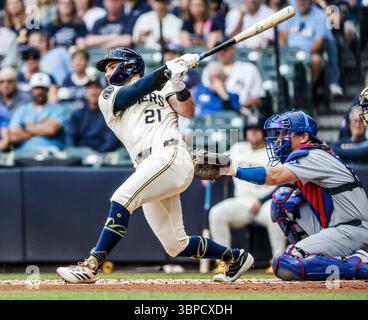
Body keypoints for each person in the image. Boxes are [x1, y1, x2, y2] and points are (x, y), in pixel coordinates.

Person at [56, 47, 254, 283]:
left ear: (128, 64)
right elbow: (136, 91)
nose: (107, 73)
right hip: (147, 165)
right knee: (175, 244)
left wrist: (178, 82)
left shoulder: (165, 84)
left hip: (169, 153)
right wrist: (167, 70)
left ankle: (92, 265)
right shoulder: (108, 95)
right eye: (106, 68)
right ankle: (235, 257)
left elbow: (187, 110)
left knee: (122, 198)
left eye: (112, 66)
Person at [222, 109, 368, 281]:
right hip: (334, 227)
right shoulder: (314, 153)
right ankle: (309, 254)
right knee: (283, 201)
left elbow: (275, 176)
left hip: (354, 231)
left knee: (285, 263)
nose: (278, 140)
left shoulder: (312, 154)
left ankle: (359, 263)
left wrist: (232, 170)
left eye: (285, 134)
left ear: (304, 137)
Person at [209, 117, 285, 274]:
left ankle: (278, 261)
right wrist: (208, 174)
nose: (253, 132)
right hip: (242, 202)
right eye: (250, 129)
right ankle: (225, 261)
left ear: (263, 132)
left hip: (266, 202)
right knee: (216, 214)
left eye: (257, 129)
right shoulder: (238, 148)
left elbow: (283, 182)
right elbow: (219, 164)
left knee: (276, 212)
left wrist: (261, 200)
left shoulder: (273, 151)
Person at [202, 38, 265, 117]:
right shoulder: (209, 69)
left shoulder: (249, 69)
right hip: (213, 113)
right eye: (218, 49)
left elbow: (258, 99)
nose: (221, 52)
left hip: (241, 114)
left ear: (232, 49)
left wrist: (236, 105)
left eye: (224, 49)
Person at [9, 73, 66, 151]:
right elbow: (13, 135)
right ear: (31, 89)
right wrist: (42, 126)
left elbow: (51, 129)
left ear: (48, 90)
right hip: (25, 153)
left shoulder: (58, 109)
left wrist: (27, 127)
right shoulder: (23, 109)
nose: (39, 92)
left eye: (43, 88)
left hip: (51, 152)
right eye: (36, 88)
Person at [65, 76, 119, 152]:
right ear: (86, 91)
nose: (93, 92)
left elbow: (111, 142)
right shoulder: (77, 114)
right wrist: (75, 153)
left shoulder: (110, 113)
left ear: (104, 91)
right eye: (90, 88)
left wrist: (95, 155)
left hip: (102, 155)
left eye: (97, 87)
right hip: (80, 156)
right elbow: (70, 139)